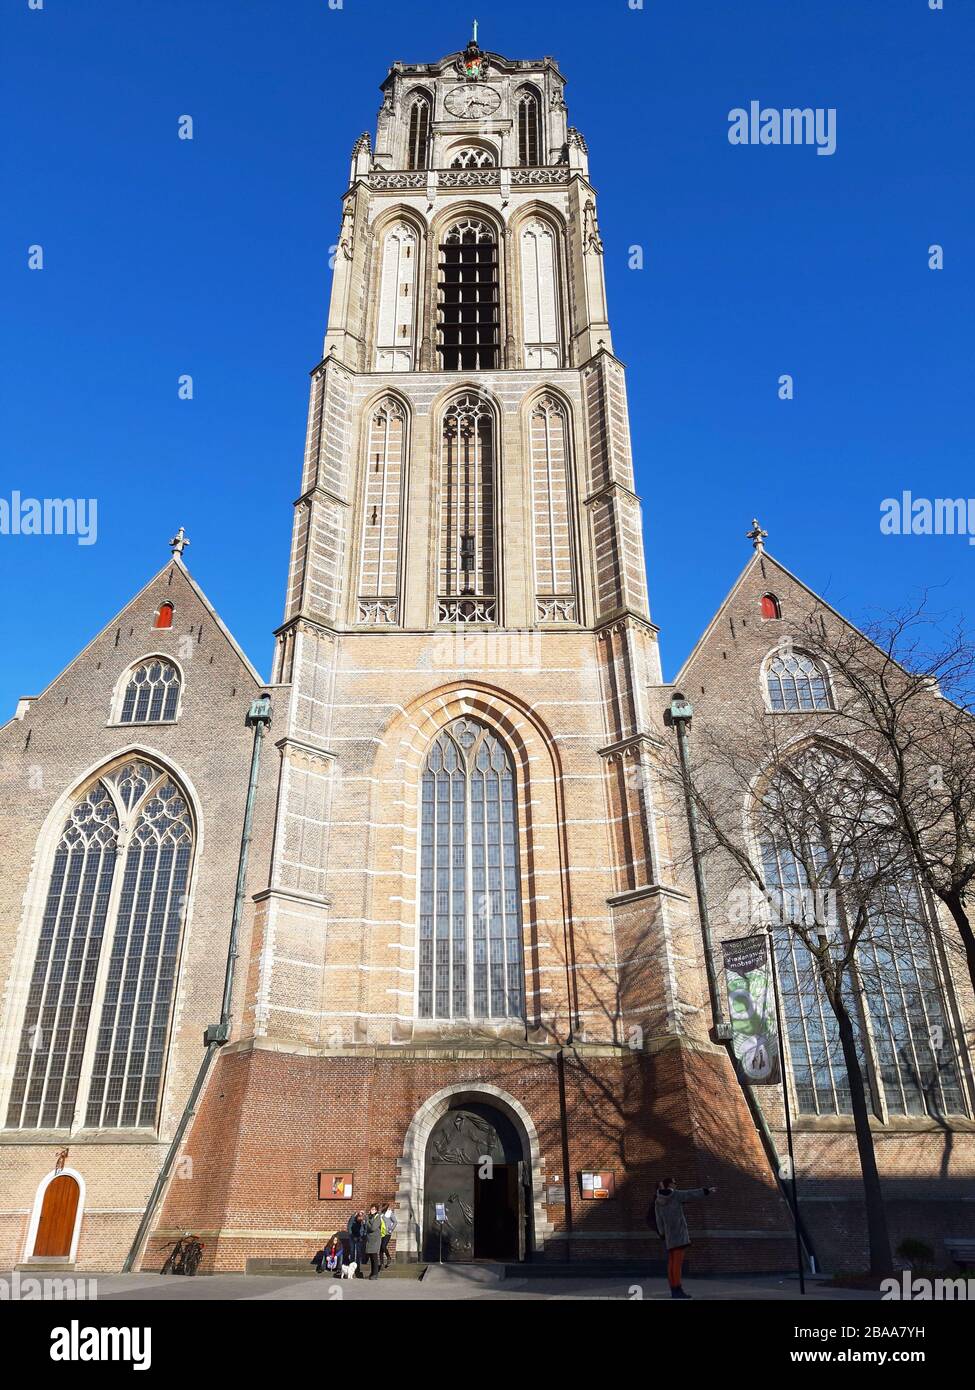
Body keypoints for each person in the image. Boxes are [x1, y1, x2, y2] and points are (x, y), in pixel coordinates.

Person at [651, 1176, 716, 1299]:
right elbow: (691, 1194)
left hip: (669, 1236)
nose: (676, 1185)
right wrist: (707, 1191)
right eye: (674, 1183)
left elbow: (658, 1219)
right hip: (679, 1234)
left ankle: (673, 1289)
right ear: (669, 1185)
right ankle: (678, 1289)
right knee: (677, 1264)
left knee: (671, 1263)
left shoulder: (658, 1200)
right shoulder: (675, 1195)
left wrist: (662, 1233)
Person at [365, 1204, 384, 1280]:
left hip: (375, 1240)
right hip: (370, 1239)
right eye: (371, 1209)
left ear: (376, 1210)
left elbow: (373, 1228)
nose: (371, 1210)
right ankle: (372, 1273)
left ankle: (375, 1274)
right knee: (371, 1257)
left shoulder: (377, 1217)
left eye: (373, 1209)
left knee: (374, 1257)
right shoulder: (370, 1217)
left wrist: (367, 1222)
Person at [347, 1209, 367, 1276]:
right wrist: (354, 1215)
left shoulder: (363, 1221)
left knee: (359, 1253)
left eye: (361, 1217)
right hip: (352, 1237)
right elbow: (349, 1227)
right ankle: (351, 1267)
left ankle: (357, 1268)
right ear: (357, 1216)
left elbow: (366, 1228)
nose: (360, 1219)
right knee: (352, 1252)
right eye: (359, 1217)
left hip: (359, 1238)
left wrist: (362, 1236)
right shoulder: (353, 1220)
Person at [379, 1201, 397, 1269]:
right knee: (380, 1248)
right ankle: (381, 1263)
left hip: (387, 1233)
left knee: (383, 1246)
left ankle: (388, 1257)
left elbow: (395, 1221)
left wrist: (391, 1229)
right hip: (381, 1233)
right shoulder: (380, 1214)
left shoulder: (389, 1213)